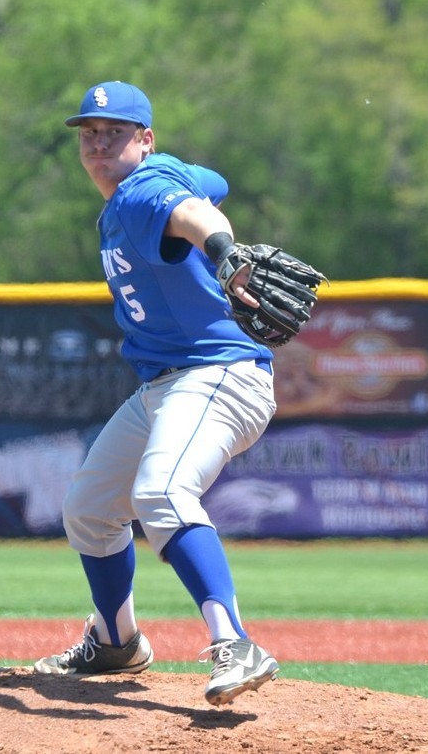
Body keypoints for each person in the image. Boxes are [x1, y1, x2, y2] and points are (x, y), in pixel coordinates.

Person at [33, 82, 280, 706]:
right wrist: (187, 184)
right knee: (89, 511)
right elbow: (211, 183)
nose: (97, 142)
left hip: (219, 374)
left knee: (163, 492)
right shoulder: (140, 188)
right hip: (166, 387)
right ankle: (116, 641)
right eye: (89, 132)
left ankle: (236, 643)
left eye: (113, 131)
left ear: (144, 139)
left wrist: (224, 254)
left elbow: (194, 214)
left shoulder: (142, 191)